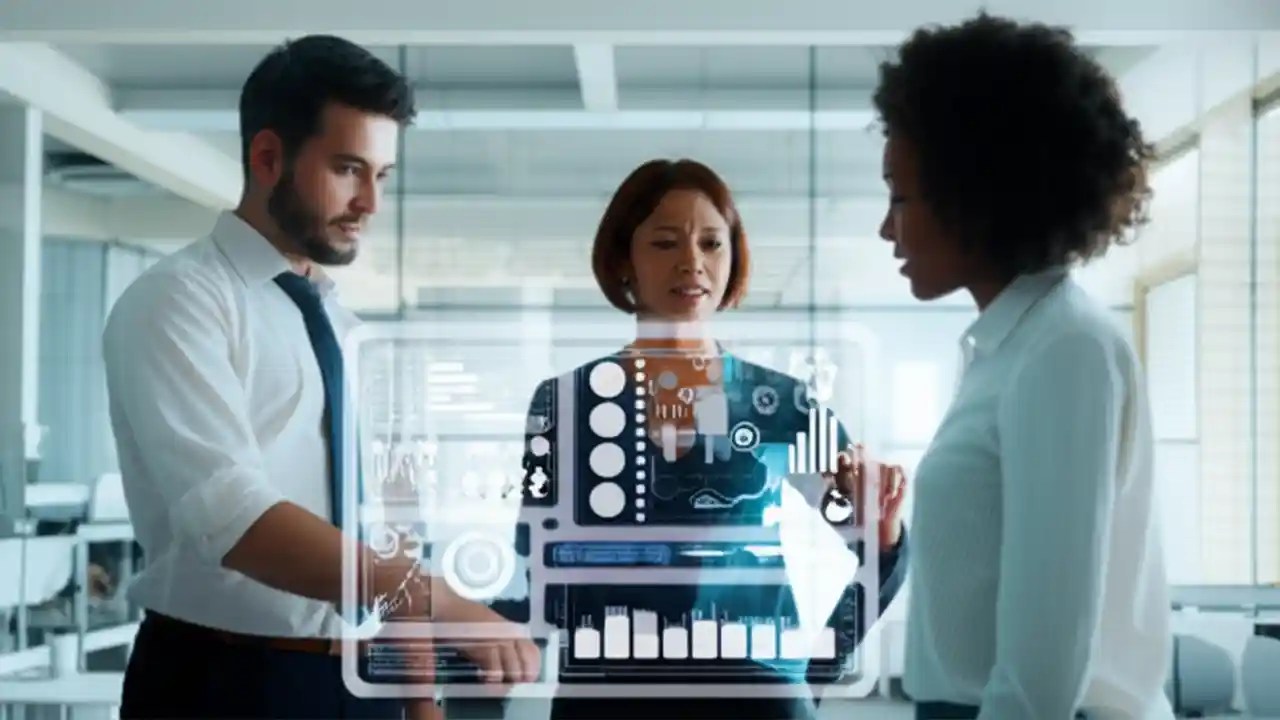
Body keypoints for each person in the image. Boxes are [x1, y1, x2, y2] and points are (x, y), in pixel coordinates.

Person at [103, 35, 538, 720]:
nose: (370, 202)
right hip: (227, 683)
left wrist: (420, 702)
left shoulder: (355, 336)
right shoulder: (180, 301)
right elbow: (237, 519)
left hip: (361, 683)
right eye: (348, 169)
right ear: (269, 157)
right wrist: (445, 601)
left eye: (383, 176)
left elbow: (396, 533)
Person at [502, 159, 910, 720]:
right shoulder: (562, 405)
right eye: (666, 243)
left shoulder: (785, 407)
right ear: (625, 259)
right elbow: (537, 566)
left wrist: (808, 674)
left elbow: (874, 554)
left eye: (712, 244)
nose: (692, 262)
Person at [870, 13, 1173, 720]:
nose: (889, 228)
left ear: (973, 192)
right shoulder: (1011, 348)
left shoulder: (1063, 351)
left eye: (900, 197)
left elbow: (1042, 664)